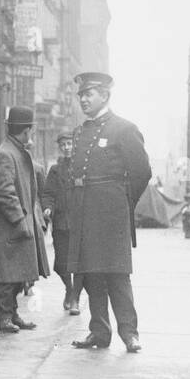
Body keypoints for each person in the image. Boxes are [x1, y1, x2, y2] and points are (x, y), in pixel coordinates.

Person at [65, 72, 152, 353]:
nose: (83, 100)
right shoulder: (80, 132)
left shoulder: (124, 129)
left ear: (105, 95)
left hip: (112, 213)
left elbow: (142, 172)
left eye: (89, 94)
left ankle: (129, 333)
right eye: (81, 95)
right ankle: (99, 332)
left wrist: (123, 202)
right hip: (85, 211)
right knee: (91, 274)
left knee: (117, 274)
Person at [0, 106, 51, 333]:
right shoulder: (6, 153)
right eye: (31, 130)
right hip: (10, 226)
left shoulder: (15, 150)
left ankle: (12, 314)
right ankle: (3, 317)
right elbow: (4, 192)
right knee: (6, 273)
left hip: (16, 224)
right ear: (27, 130)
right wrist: (20, 221)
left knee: (16, 272)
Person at [42, 132, 83, 314]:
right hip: (60, 223)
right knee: (60, 263)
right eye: (63, 145)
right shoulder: (55, 170)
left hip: (79, 223)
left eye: (69, 144)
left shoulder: (82, 168)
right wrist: (48, 207)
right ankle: (69, 288)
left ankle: (75, 299)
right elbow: (48, 193)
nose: (67, 147)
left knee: (80, 263)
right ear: (59, 147)